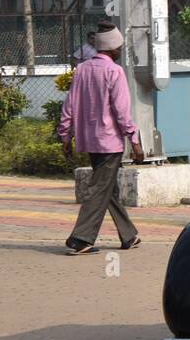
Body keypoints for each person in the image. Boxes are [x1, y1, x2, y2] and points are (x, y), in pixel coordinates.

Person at [57, 27, 144, 255]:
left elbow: (69, 106)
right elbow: (122, 111)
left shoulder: (81, 70)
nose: (121, 50)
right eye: (120, 47)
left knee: (108, 188)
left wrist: (65, 135)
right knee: (99, 188)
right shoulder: (115, 72)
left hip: (89, 141)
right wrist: (134, 140)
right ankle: (81, 238)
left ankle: (128, 235)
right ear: (113, 48)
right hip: (109, 142)